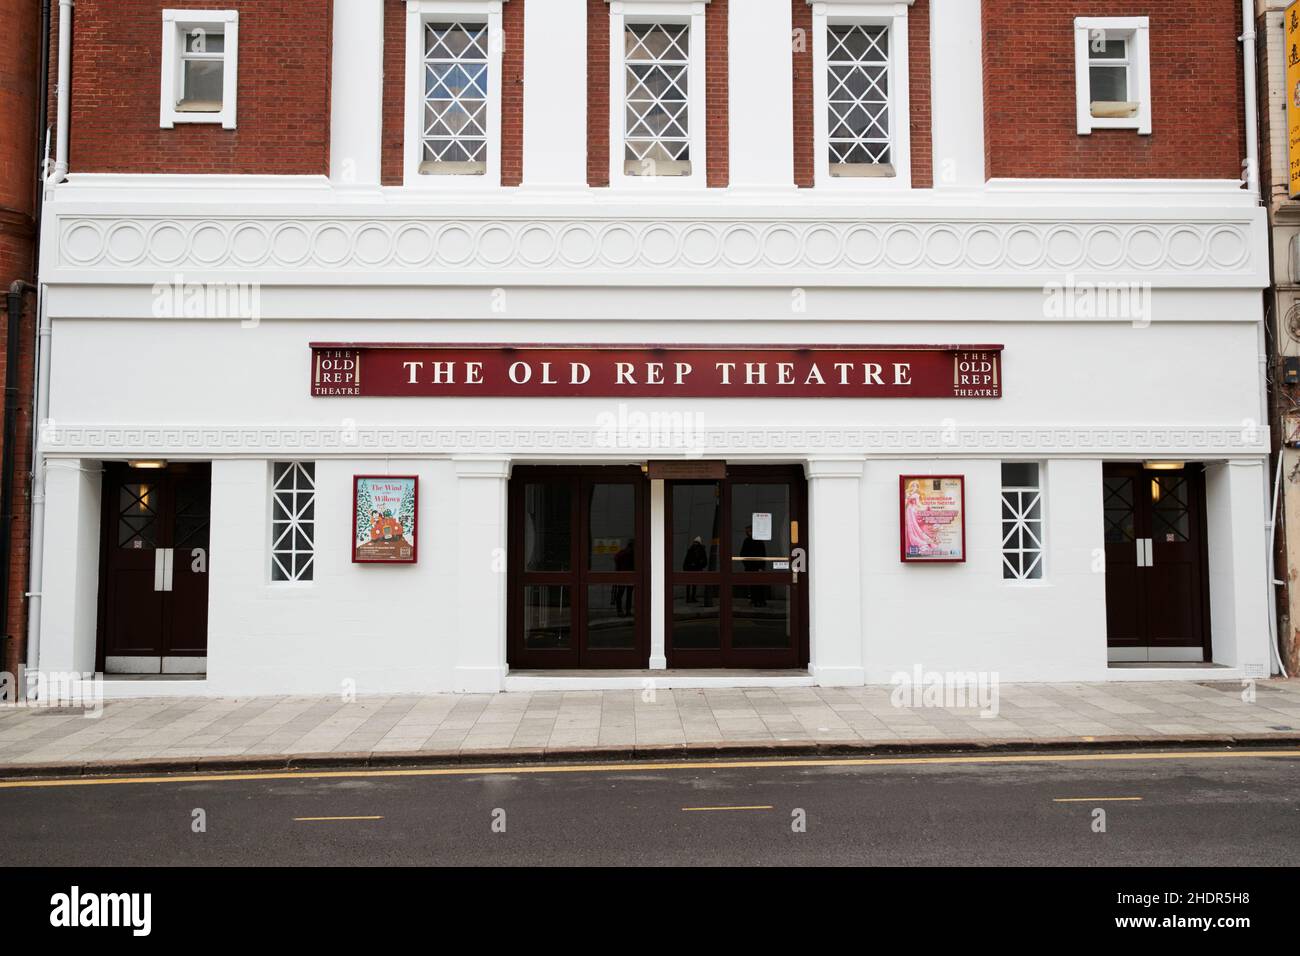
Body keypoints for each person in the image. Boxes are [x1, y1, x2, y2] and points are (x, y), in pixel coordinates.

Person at [739, 524, 768, 607]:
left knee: (755, 585)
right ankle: (759, 601)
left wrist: (747, 565)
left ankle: (757, 600)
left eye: (748, 531)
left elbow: (742, 554)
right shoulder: (757, 541)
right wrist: (761, 567)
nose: (747, 533)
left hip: (752, 567)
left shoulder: (749, 541)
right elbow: (763, 555)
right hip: (755, 567)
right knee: (757, 585)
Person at [682, 535, 707, 603]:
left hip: (694, 569)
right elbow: (687, 560)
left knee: (693, 584)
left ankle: (691, 598)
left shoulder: (697, 550)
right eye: (695, 542)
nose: (695, 544)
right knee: (691, 584)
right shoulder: (694, 550)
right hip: (692, 569)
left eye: (696, 543)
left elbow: (704, 560)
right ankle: (690, 598)